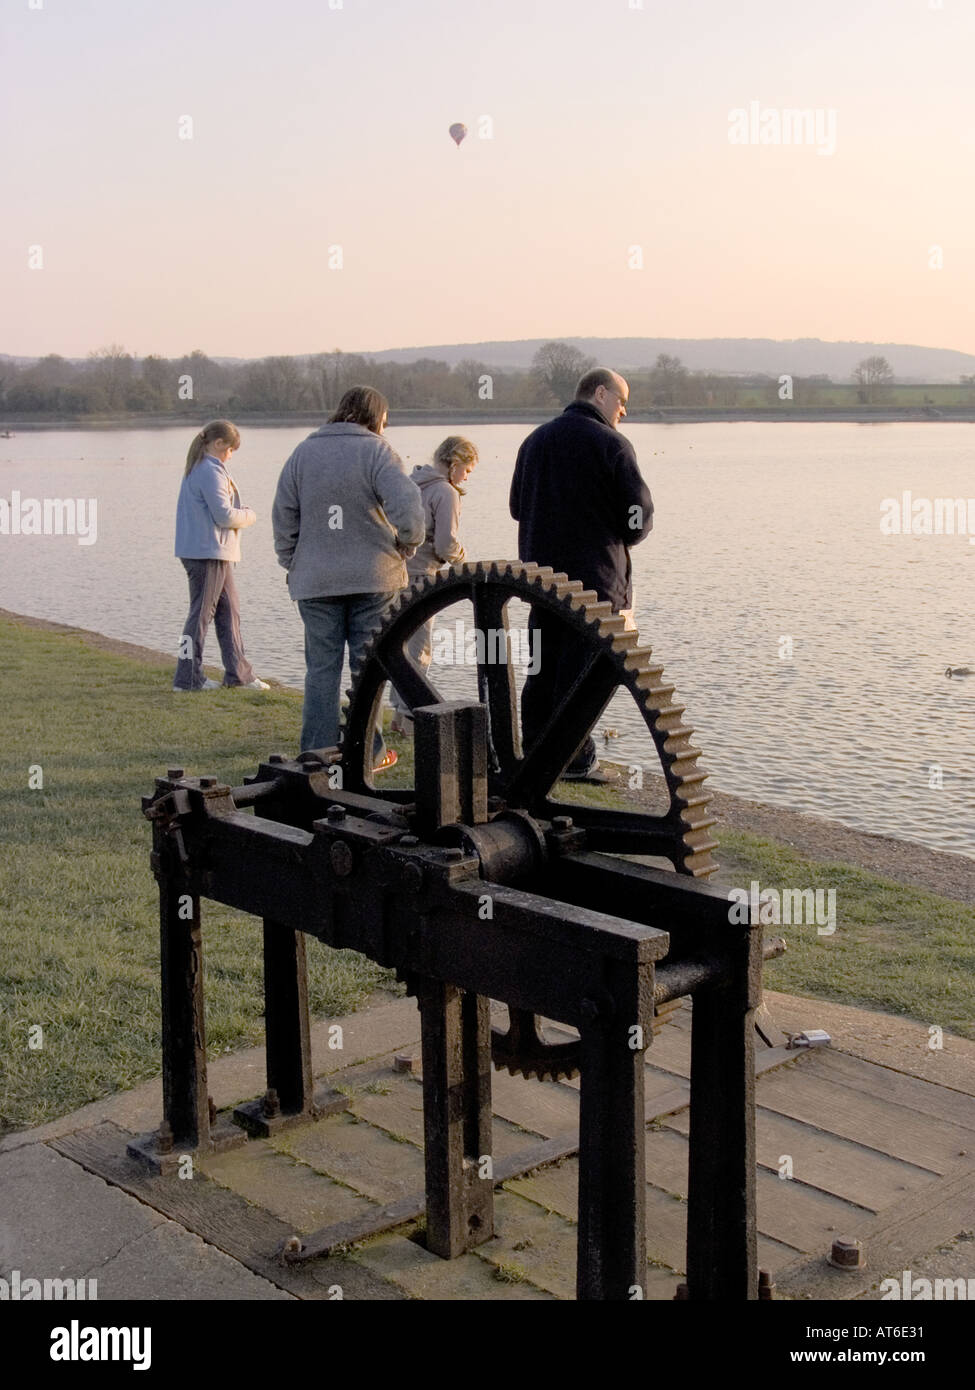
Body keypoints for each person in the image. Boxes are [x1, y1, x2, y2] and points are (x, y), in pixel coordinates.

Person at [509, 367, 653, 783]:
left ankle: (536, 753)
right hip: (596, 582)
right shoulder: (613, 445)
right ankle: (574, 758)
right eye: (622, 400)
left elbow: (518, 506)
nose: (624, 410)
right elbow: (638, 517)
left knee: (544, 670)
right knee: (584, 674)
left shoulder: (535, 441)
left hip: (540, 578)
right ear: (601, 393)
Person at [271, 385, 424, 767]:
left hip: (316, 579)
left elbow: (284, 515)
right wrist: (406, 546)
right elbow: (409, 510)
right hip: (374, 576)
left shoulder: (303, 453)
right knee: (367, 668)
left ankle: (316, 754)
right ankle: (367, 753)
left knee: (321, 671)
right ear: (377, 418)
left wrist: (293, 560)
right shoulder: (377, 451)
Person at [390, 436, 477, 734]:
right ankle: (410, 716)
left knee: (397, 643)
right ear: (454, 464)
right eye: (467, 470)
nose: (466, 477)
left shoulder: (412, 482)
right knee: (420, 648)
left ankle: (398, 715)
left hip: (396, 571)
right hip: (423, 575)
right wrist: (463, 559)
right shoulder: (445, 492)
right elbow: (445, 544)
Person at [173, 419, 269, 692]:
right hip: (207, 553)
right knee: (200, 616)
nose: (231, 455)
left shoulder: (200, 467)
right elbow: (224, 515)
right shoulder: (209, 471)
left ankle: (239, 674)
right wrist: (249, 515)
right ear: (218, 444)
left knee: (228, 612)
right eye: (230, 450)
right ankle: (187, 678)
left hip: (211, 552)